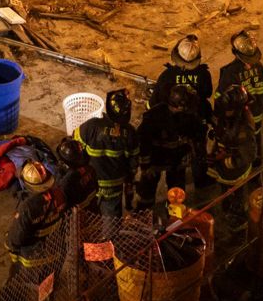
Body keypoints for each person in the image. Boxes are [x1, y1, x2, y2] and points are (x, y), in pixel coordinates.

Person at [135, 84, 204, 209]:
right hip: (156, 159)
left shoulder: (189, 116)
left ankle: (174, 217)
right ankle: (143, 215)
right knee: (146, 194)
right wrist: (145, 167)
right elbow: (143, 141)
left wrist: (194, 151)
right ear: (180, 105)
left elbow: (197, 133)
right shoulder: (154, 116)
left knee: (177, 197)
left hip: (178, 161)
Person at [73, 89, 139, 221]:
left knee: (89, 218)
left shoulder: (91, 126)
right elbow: (133, 162)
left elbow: (75, 148)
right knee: (111, 224)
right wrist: (130, 180)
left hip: (91, 183)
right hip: (113, 189)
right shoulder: (130, 133)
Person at [5, 160, 67, 277]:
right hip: (57, 250)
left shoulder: (28, 207)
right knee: (51, 280)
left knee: (31, 283)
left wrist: (10, 244)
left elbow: (16, 237)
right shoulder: (59, 193)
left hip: (33, 259)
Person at [206, 85, 257, 223]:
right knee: (225, 190)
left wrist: (226, 158)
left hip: (235, 171)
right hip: (223, 168)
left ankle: (238, 217)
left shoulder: (244, 129)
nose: (224, 112)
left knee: (238, 193)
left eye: (228, 110)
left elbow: (249, 154)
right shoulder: (229, 116)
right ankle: (227, 204)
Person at [217, 30, 263, 164]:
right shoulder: (260, 68)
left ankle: (243, 164)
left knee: (240, 143)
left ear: (235, 52)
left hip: (240, 118)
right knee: (256, 137)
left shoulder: (230, 73)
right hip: (257, 113)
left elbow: (221, 98)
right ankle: (257, 163)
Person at [153, 34, 213, 119]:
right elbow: (208, 94)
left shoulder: (167, 75)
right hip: (197, 119)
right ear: (198, 56)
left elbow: (154, 101)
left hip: (171, 121)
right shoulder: (204, 74)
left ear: (176, 52)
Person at [56, 137, 98, 213]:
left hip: (92, 199)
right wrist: (76, 173)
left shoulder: (84, 161)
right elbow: (63, 187)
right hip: (80, 208)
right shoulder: (64, 173)